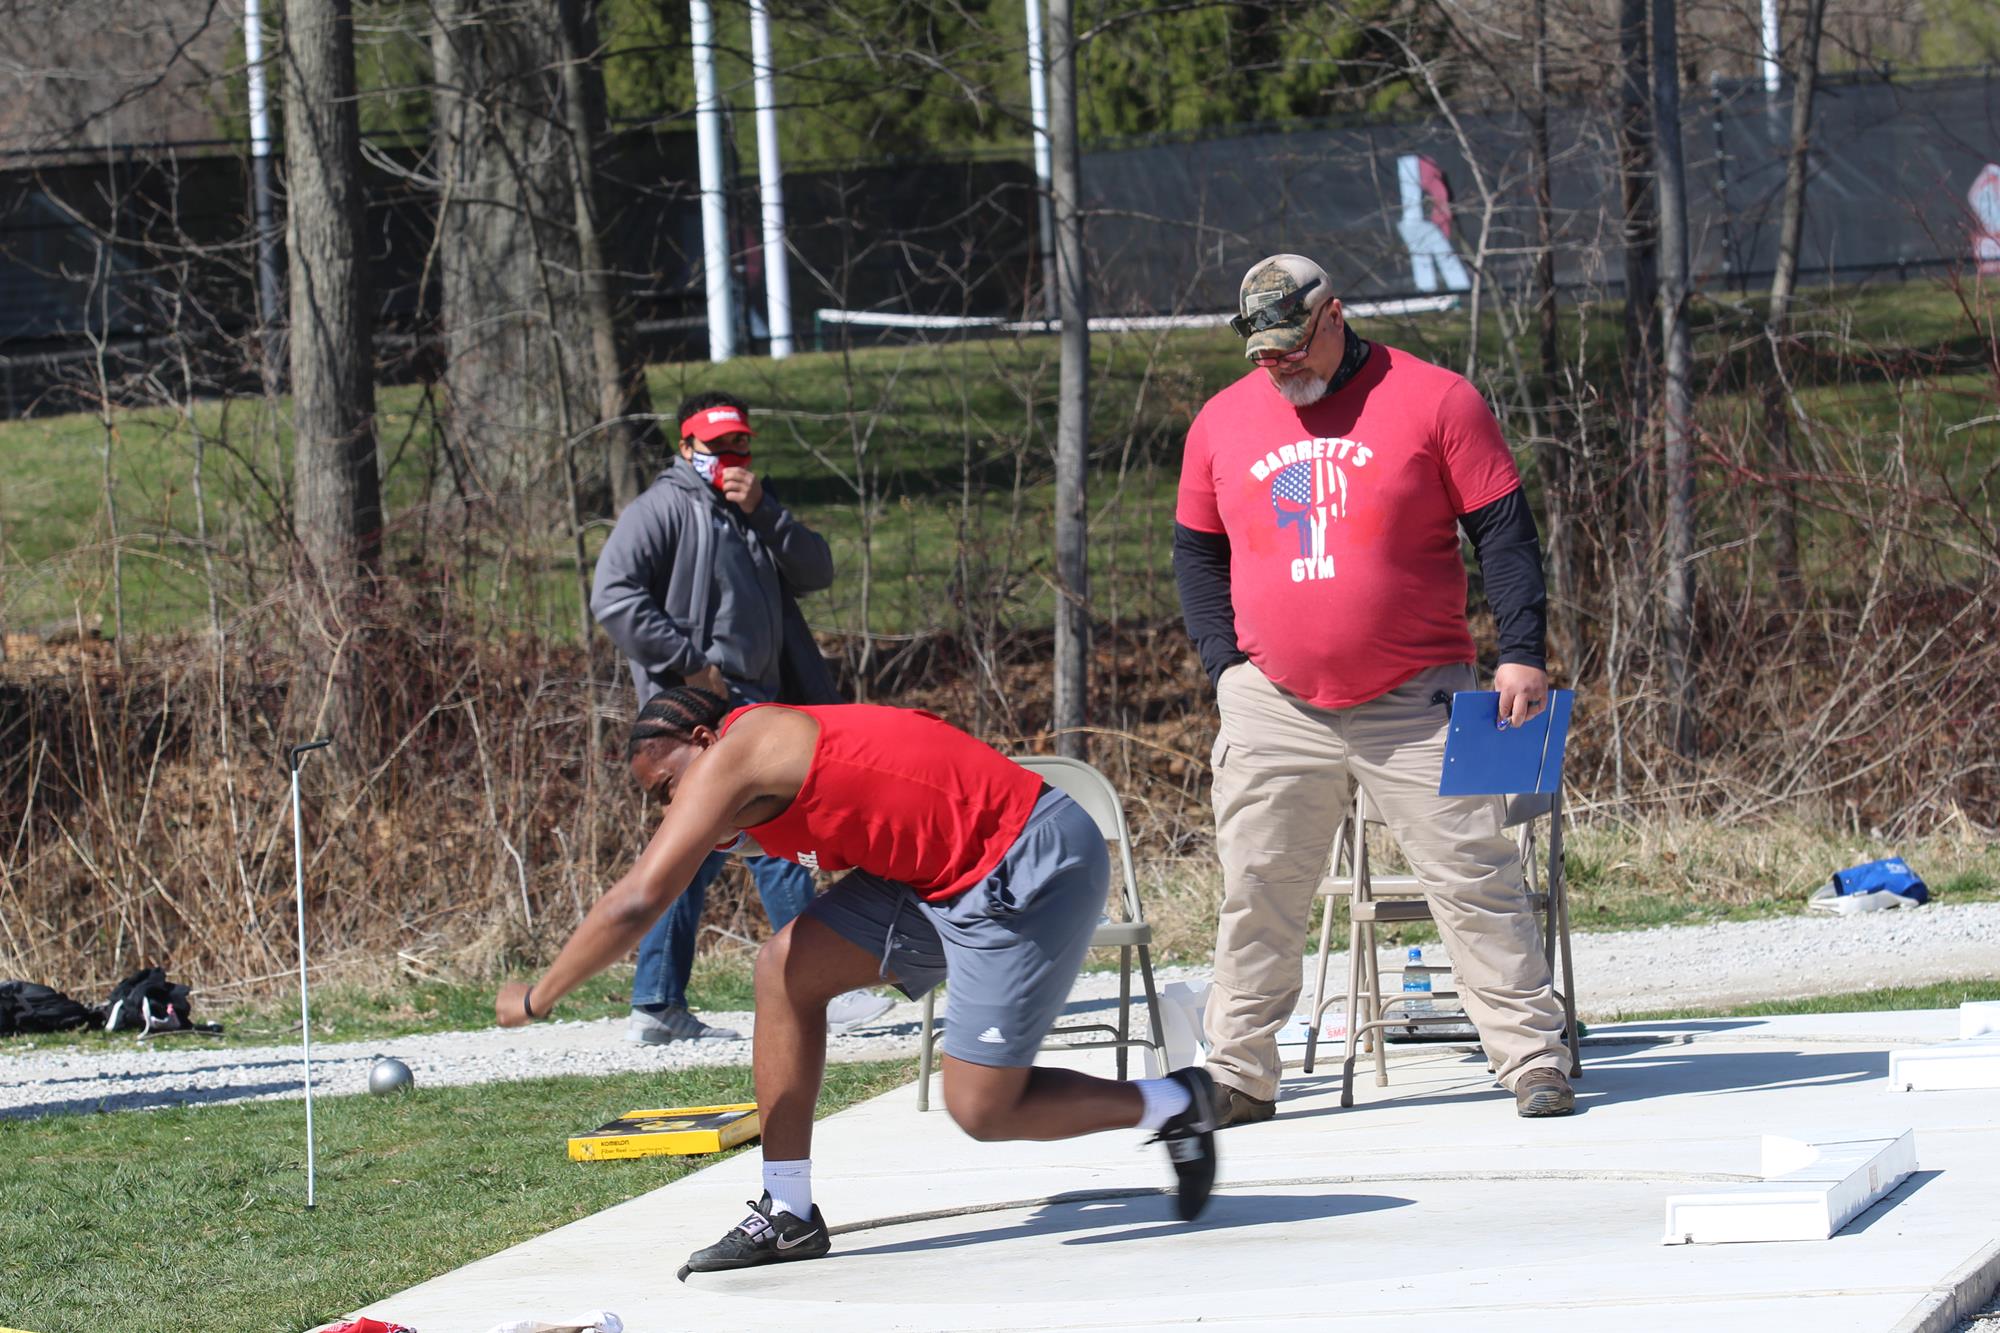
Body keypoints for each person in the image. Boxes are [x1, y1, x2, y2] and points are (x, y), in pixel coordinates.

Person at [495, 689, 1220, 1272]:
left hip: (1022, 857)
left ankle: (1175, 1101)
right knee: (783, 971)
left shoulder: (743, 747)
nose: (669, 805)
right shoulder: (744, 784)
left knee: (982, 1106)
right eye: (656, 799)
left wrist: (539, 995)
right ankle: (788, 1214)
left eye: (668, 784)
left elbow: (637, 900)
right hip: (929, 881)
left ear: (707, 742)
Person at [1174, 253, 1575, 1124]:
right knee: (1259, 886)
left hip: (1417, 696)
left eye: (1295, 348)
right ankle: (1240, 1071)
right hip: (1273, 700)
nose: (1283, 368)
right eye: (1263, 355)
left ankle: (1533, 1056)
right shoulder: (1219, 422)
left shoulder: (1436, 398)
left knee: (1476, 874)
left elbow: (1503, 533)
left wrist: (1521, 651)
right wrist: (1222, 663)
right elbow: (1195, 553)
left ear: (1336, 316)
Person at [590, 390, 890, 1043]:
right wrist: (690, 662)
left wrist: (766, 511)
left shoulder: (749, 509)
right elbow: (612, 594)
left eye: (739, 445)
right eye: (715, 446)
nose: (729, 457)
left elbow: (817, 568)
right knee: (779, 838)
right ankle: (821, 986)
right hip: (705, 709)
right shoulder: (663, 508)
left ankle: (656, 1003)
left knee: (693, 852)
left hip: (761, 701)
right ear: (686, 446)